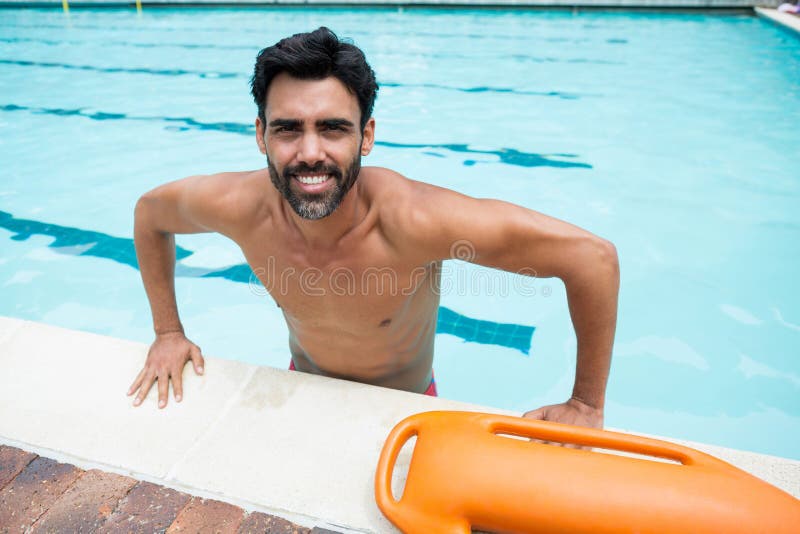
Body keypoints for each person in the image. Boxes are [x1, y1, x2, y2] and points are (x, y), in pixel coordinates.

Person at [127, 27, 619, 432]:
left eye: (334, 128)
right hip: (304, 386)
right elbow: (150, 215)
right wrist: (168, 332)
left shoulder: (415, 221)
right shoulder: (238, 207)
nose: (310, 152)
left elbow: (591, 260)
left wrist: (586, 404)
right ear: (261, 135)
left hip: (406, 407)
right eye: (288, 128)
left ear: (366, 136)